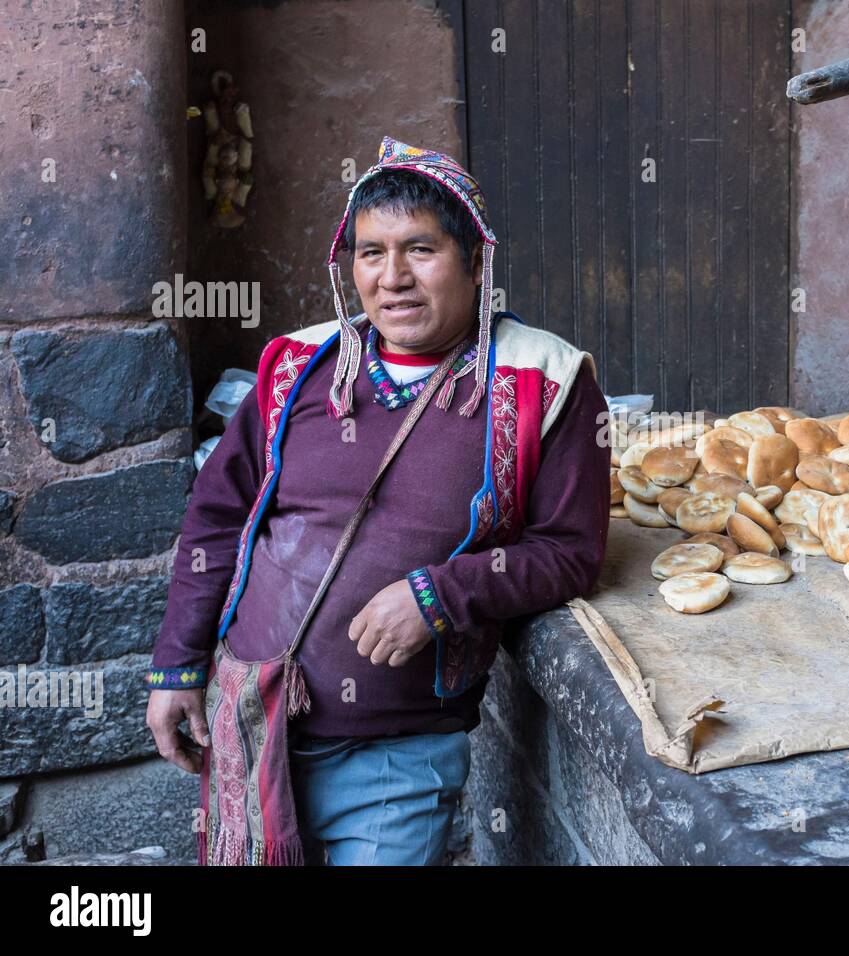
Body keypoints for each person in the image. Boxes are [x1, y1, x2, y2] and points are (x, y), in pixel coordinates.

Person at [145, 137, 610, 865]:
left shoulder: (542, 380)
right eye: (370, 253)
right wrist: (178, 667)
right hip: (250, 726)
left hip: (397, 764)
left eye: (420, 250)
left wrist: (439, 595)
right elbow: (218, 517)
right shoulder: (297, 368)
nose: (392, 278)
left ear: (475, 260)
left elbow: (571, 552)